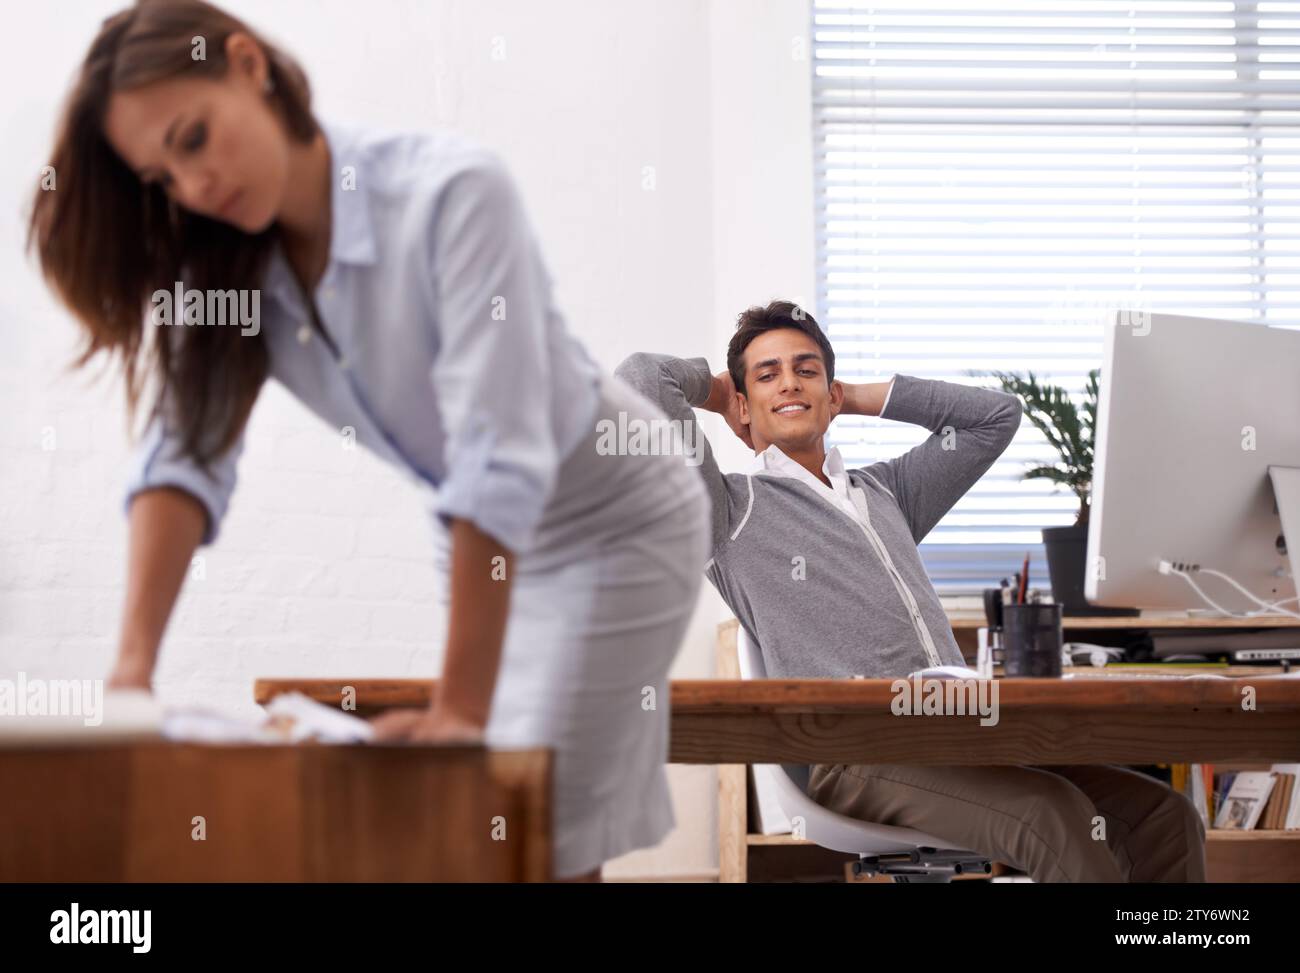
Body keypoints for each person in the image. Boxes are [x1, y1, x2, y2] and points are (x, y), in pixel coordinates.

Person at [26, 0, 709, 882]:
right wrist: (129, 680)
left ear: (248, 65)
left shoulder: (453, 193)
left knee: (532, 826)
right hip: (483, 538)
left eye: (192, 139)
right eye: (160, 178)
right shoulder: (236, 262)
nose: (190, 188)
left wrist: (459, 709)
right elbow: (183, 457)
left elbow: (494, 450)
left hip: (614, 520)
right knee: (480, 823)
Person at [616, 299, 1206, 882]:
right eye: (767, 375)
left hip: (962, 734)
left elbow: (995, 417)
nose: (789, 384)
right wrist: (722, 395)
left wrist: (855, 398)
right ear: (743, 405)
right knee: (1048, 815)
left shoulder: (890, 493)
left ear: (833, 392)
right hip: (859, 755)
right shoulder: (726, 511)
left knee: (1162, 813)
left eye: (807, 370)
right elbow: (642, 378)